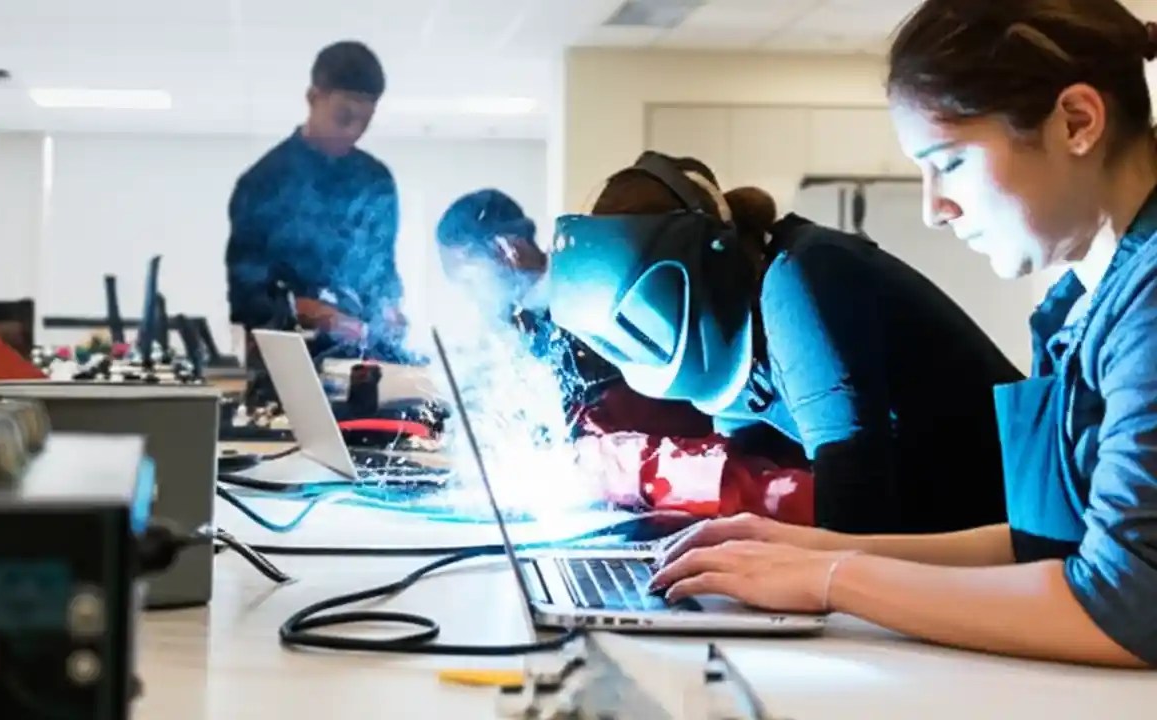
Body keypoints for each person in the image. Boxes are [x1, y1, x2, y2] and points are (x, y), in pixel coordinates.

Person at [649, 0, 1157, 669]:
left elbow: (1128, 607)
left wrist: (833, 581)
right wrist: (802, 550)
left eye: (948, 162)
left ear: (1077, 122)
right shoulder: (1076, 308)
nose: (934, 208)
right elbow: (1049, 546)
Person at [550, 151, 1024, 535]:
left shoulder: (801, 276)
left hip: (1010, 547)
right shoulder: (738, 347)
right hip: (944, 547)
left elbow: (853, 517)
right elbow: (772, 487)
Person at [434, 189, 813, 522]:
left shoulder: (596, 316)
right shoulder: (540, 323)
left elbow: (703, 449)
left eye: (468, 277)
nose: (470, 296)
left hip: (771, 493)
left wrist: (615, 467)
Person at [225, 40, 407, 368]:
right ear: (313, 98)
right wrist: (308, 311)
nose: (352, 132)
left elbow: (383, 272)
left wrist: (388, 309)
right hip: (287, 367)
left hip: (365, 366)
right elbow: (246, 297)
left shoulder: (376, 181)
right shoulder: (262, 183)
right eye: (343, 117)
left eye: (364, 121)